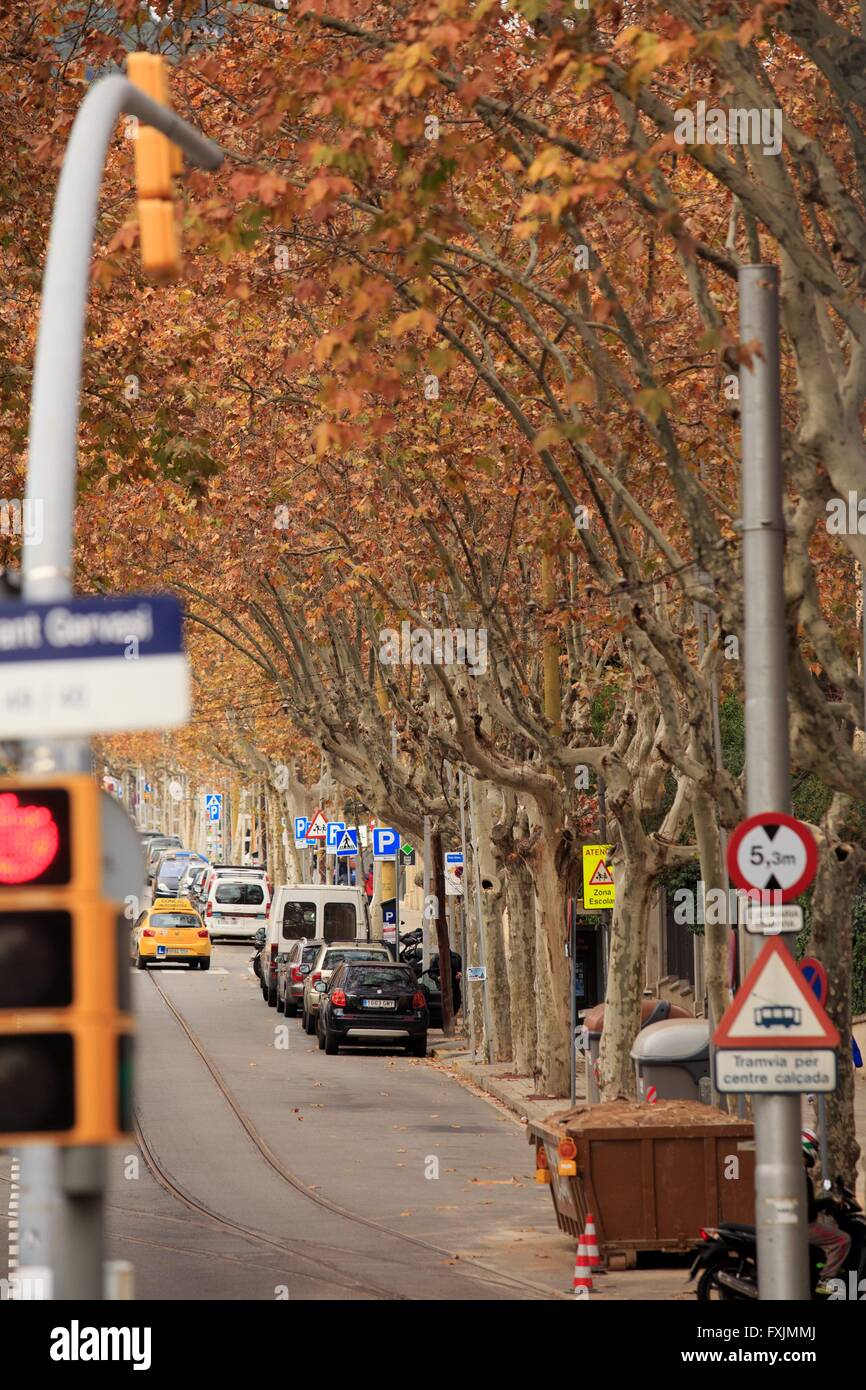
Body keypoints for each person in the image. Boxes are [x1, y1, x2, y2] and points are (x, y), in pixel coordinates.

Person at [802, 1128, 851, 1282]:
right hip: (802, 1226)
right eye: (815, 1147)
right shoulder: (798, 1173)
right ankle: (826, 1281)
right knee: (843, 1240)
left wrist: (827, 1202)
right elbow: (807, 1208)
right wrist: (830, 1201)